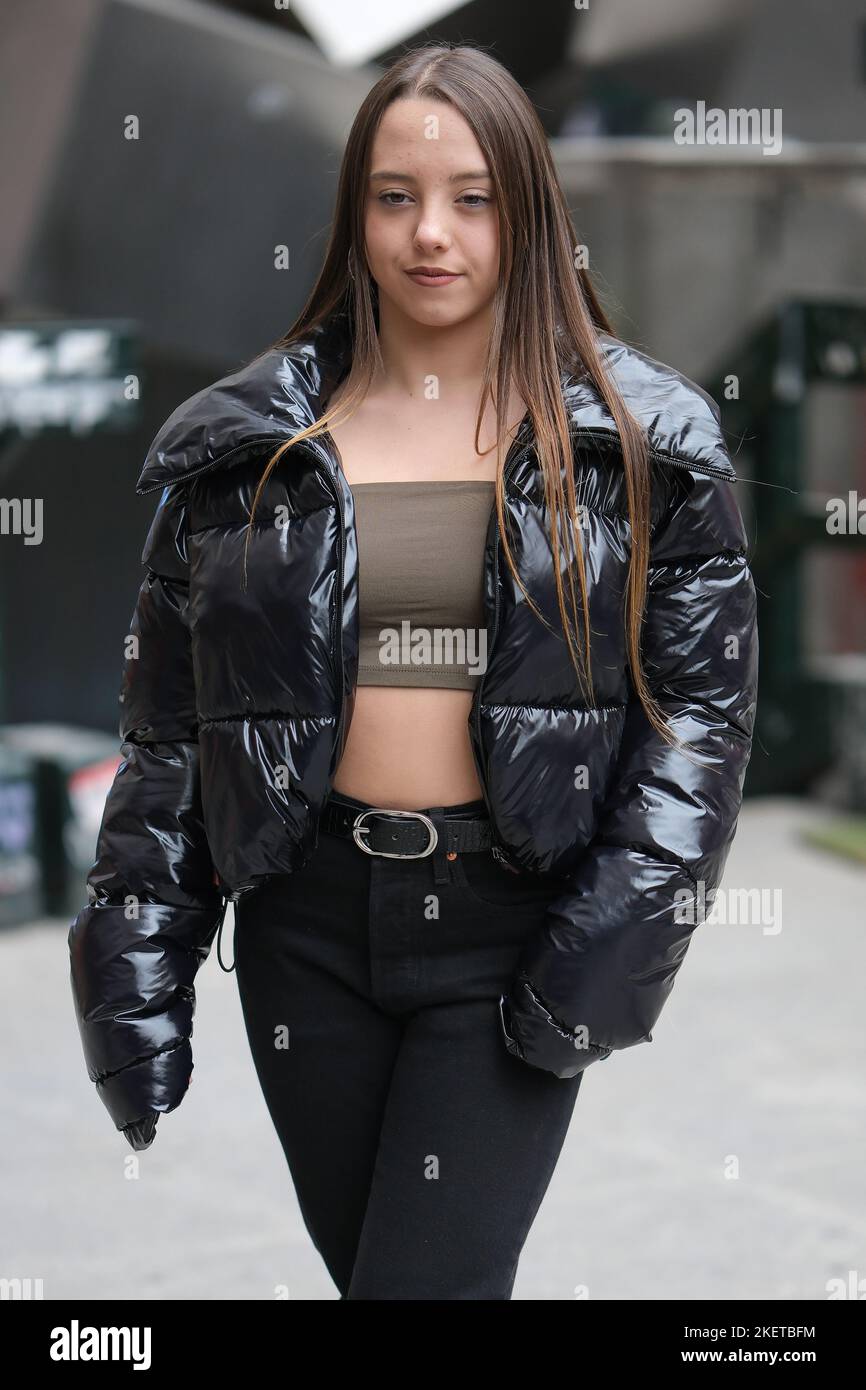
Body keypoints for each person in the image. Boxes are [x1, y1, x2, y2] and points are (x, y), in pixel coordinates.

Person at [68, 43, 758, 1300]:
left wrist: (606, 942)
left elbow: (698, 724)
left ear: (527, 214)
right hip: (307, 928)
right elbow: (171, 729)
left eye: (471, 197)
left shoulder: (639, 441)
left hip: (510, 930)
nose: (429, 231)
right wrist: (135, 962)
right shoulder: (246, 445)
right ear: (355, 213)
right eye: (395, 195)